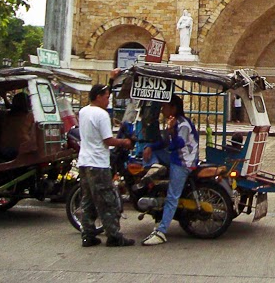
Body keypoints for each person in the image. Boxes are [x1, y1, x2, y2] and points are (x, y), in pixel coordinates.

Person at [78, 79, 134, 247]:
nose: (108, 100)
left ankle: (87, 235)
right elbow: (108, 140)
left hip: (84, 161)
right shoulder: (102, 114)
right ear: (98, 97)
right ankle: (114, 236)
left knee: (87, 200)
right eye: (107, 97)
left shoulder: (83, 112)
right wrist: (124, 142)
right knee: (107, 201)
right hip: (98, 164)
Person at [142, 94, 200, 246]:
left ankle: (161, 232)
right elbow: (165, 142)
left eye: (164, 107)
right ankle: (154, 168)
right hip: (174, 157)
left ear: (173, 108)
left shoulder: (183, 125)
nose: (162, 110)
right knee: (149, 152)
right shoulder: (174, 122)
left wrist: (172, 130)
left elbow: (177, 144)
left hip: (183, 162)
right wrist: (150, 147)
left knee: (172, 197)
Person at [0, 92, 36, 157]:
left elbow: (10, 107)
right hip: (22, 148)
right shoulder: (30, 116)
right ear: (28, 103)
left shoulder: (6, 115)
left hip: (4, 148)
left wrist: (5, 98)